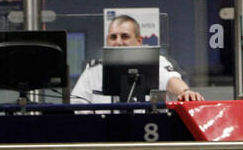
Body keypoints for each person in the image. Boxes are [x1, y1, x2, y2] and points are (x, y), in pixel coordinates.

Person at [71, 14, 204, 103]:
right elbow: (77, 104)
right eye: (113, 37)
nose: (118, 42)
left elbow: (171, 80)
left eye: (124, 36)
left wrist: (185, 92)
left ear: (139, 40)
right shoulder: (94, 69)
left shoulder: (154, 61)